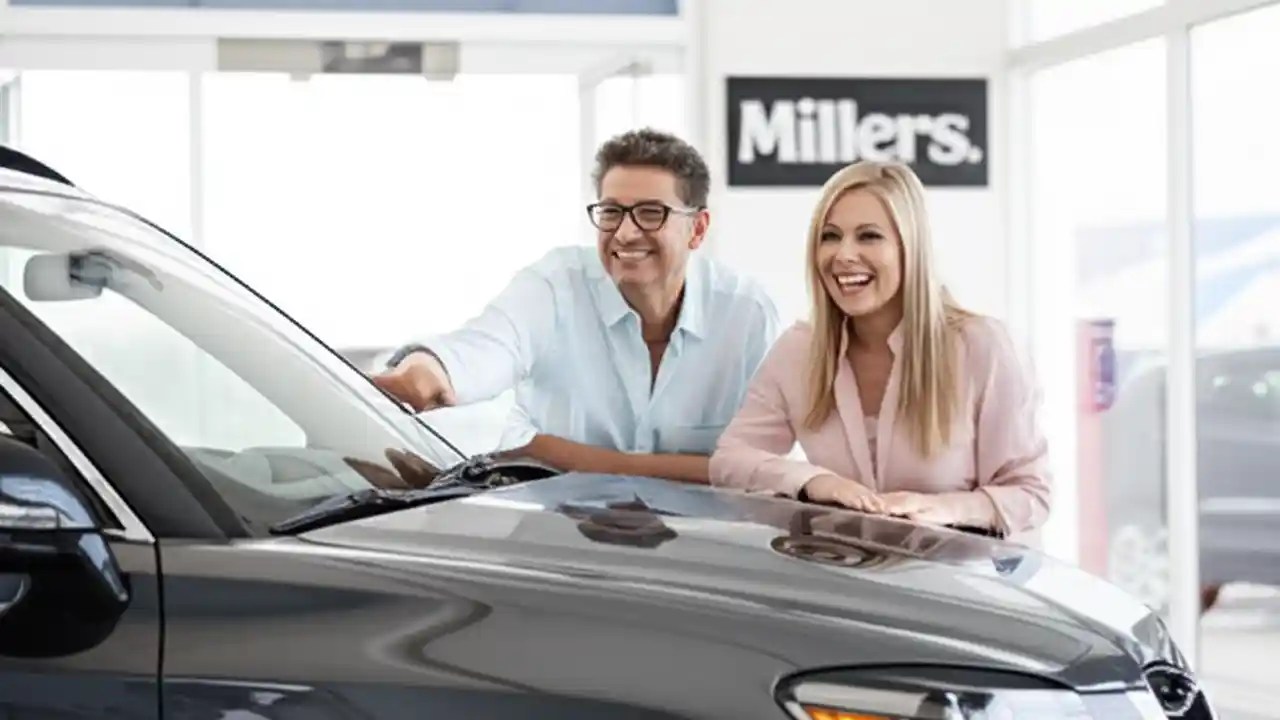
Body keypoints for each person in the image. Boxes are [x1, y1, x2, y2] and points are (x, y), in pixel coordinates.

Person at [374, 128, 780, 485]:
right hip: (558, 540)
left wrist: (556, 453)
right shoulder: (555, 286)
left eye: (650, 214)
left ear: (698, 228)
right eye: (611, 212)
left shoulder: (746, 315)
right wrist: (425, 371)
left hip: (701, 550)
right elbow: (482, 348)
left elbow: (759, 469)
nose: (625, 232)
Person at [709, 160, 1051, 542]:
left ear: (911, 248)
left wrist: (944, 509)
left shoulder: (983, 348)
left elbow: (1030, 493)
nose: (843, 255)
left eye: (869, 236)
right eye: (830, 236)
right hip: (850, 587)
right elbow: (730, 461)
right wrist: (815, 482)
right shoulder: (798, 350)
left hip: (959, 588)